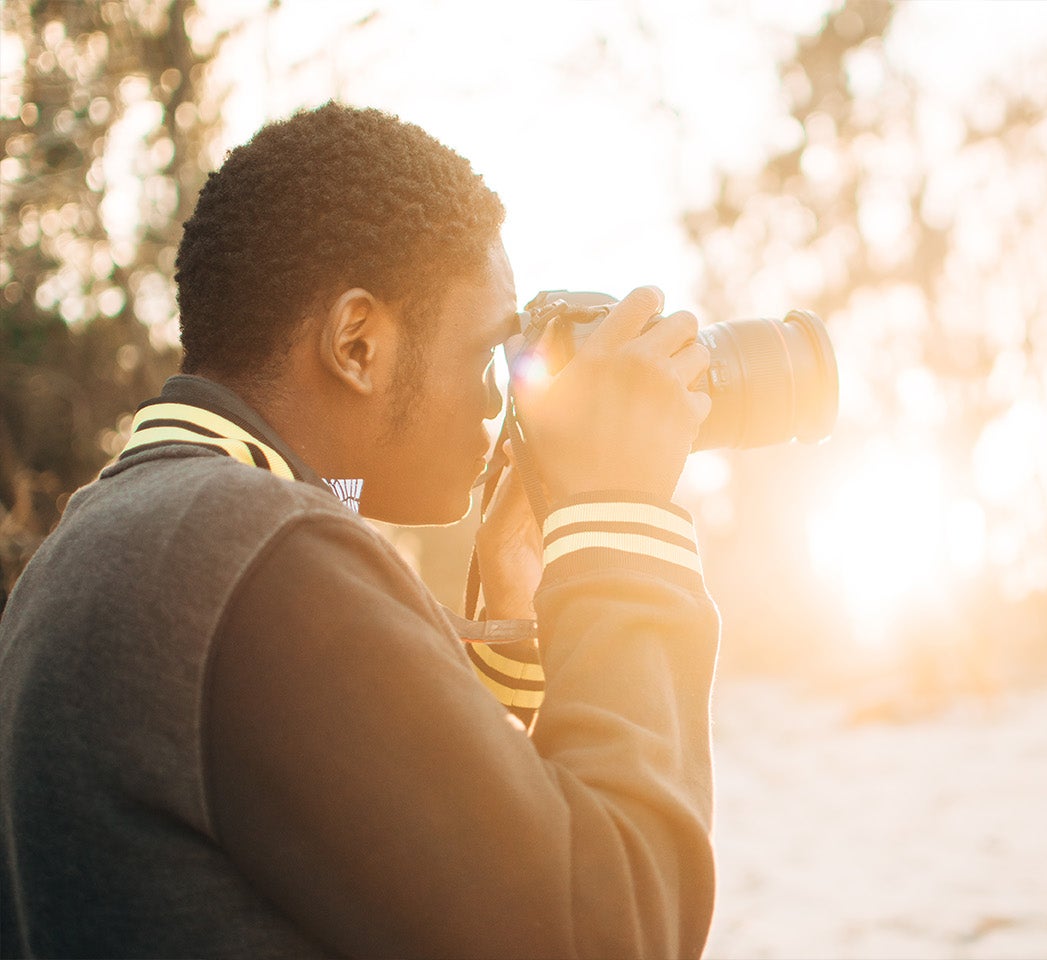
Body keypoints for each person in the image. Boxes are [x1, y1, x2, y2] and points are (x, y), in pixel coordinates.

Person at [0, 102, 720, 959]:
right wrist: (619, 519)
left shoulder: (119, 537)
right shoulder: (256, 553)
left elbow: (381, 858)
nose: (503, 399)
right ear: (357, 343)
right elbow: (617, 928)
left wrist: (511, 627)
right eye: (486, 351)